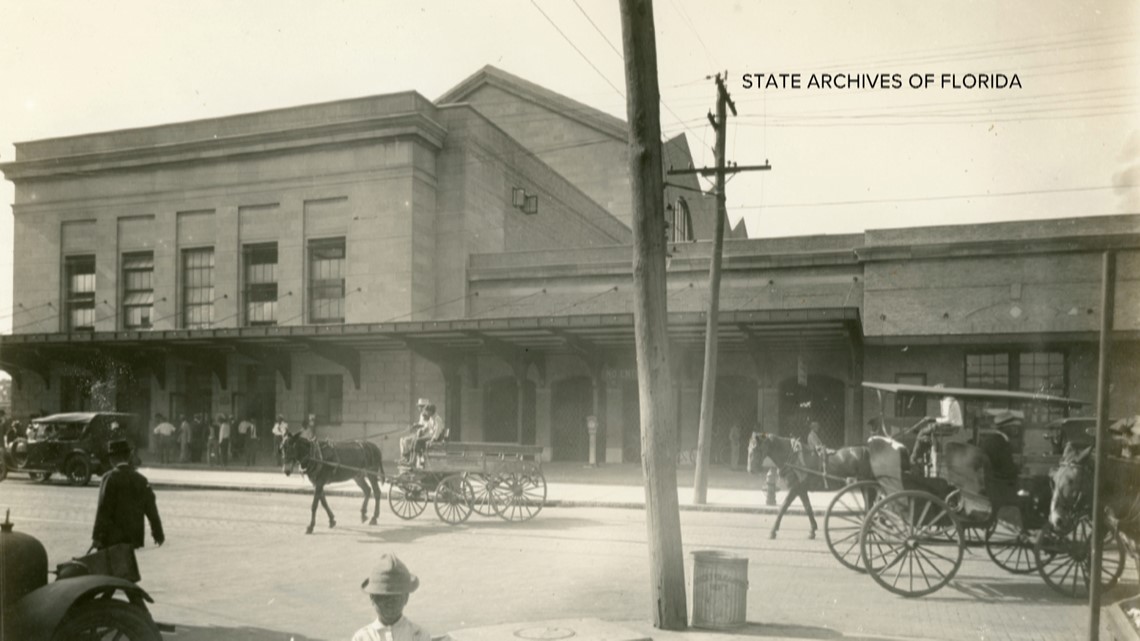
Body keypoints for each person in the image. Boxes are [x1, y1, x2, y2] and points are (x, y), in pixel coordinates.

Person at [92, 440, 164, 551]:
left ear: (112, 459)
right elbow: (151, 508)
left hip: (112, 538)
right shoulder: (141, 480)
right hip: (133, 536)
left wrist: (97, 536)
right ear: (128, 457)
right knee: (127, 564)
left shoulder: (109, 478)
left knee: (113, 567)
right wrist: (157, 532)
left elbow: (103, 509)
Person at [353, 553, 434, 641]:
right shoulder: (361, 638)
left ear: (406, 598)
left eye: (396, 597)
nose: (390, 602)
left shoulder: (419, 636)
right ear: (372, 597)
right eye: (384, 596)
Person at [910, 386, 965, 469]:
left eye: (935, 394)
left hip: (953, 427)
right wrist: (933, 420)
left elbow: (948, 419)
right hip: (951, 425)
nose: (934, 396)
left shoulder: (947, 401)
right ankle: (924, 458)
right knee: (925, 434)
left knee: (922, 432)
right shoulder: (944, 400)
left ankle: (913, 459)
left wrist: (933, 419)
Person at [400, 398, 431, 465]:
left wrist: (418, 426)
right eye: (419, 406)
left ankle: (408, 458)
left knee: (406, 441)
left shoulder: (428, 415)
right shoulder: (422, 415)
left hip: (424, 434)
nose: (419, 408)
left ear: (424, 407)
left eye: (420, 406)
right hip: (420, 433)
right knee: (402, 440)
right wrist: (416, 425)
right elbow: (421, 424)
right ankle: (405, 457)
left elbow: (426, 426)